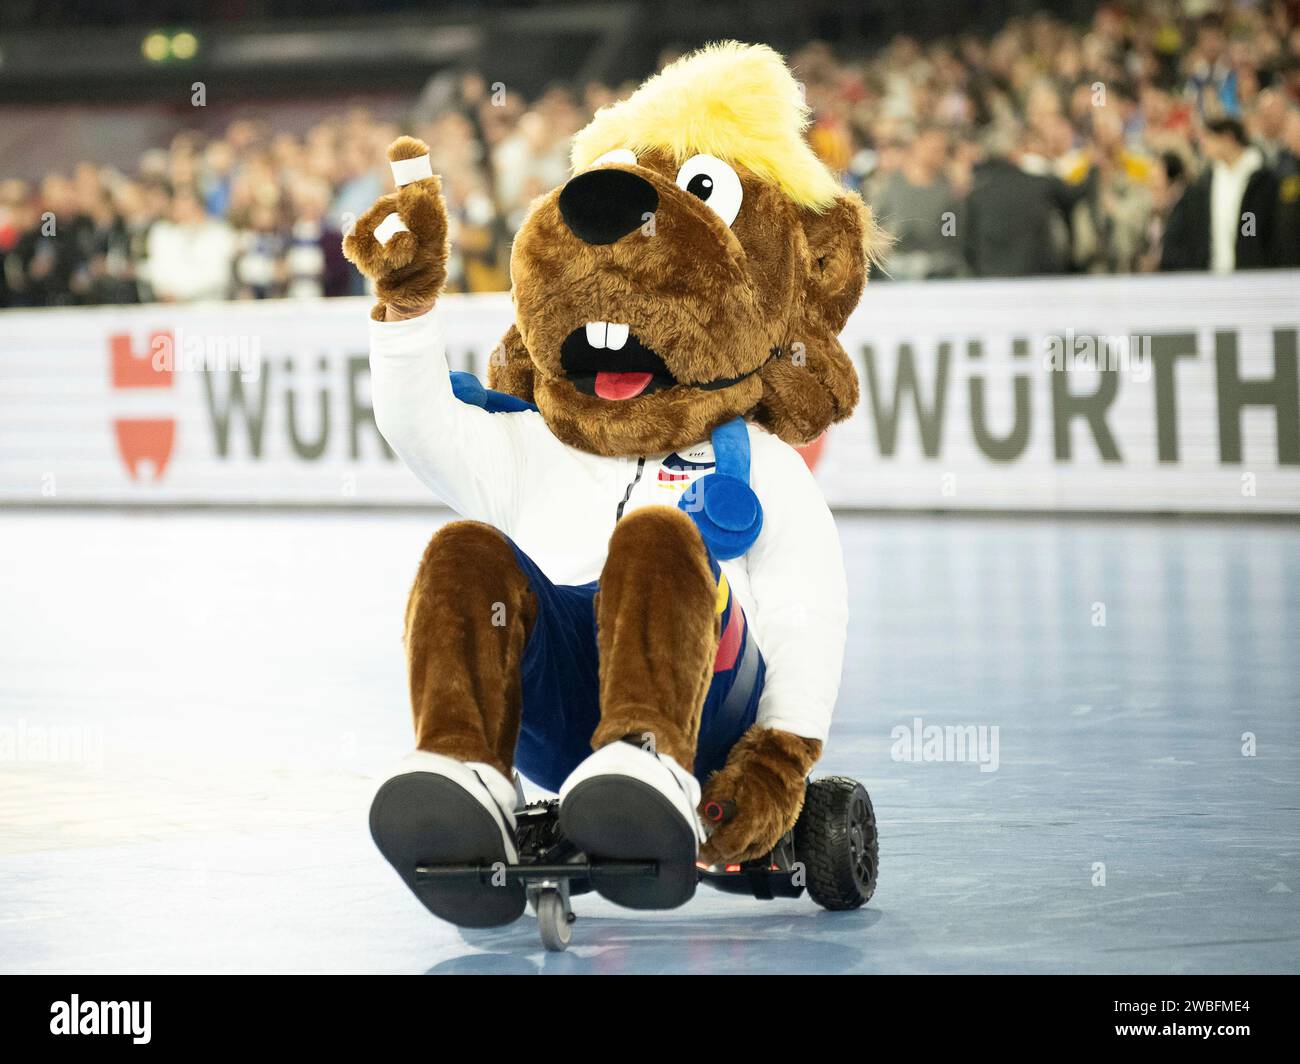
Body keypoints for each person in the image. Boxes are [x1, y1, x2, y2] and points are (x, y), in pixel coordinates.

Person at [1160, 116, 1278, 272]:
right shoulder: (1206, 182)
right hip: (1213, 273)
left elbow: (1254, 227)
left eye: (1209, 138)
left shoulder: (1261, 180)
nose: (1204, 145)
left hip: (1252, 273)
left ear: (1227, 138)